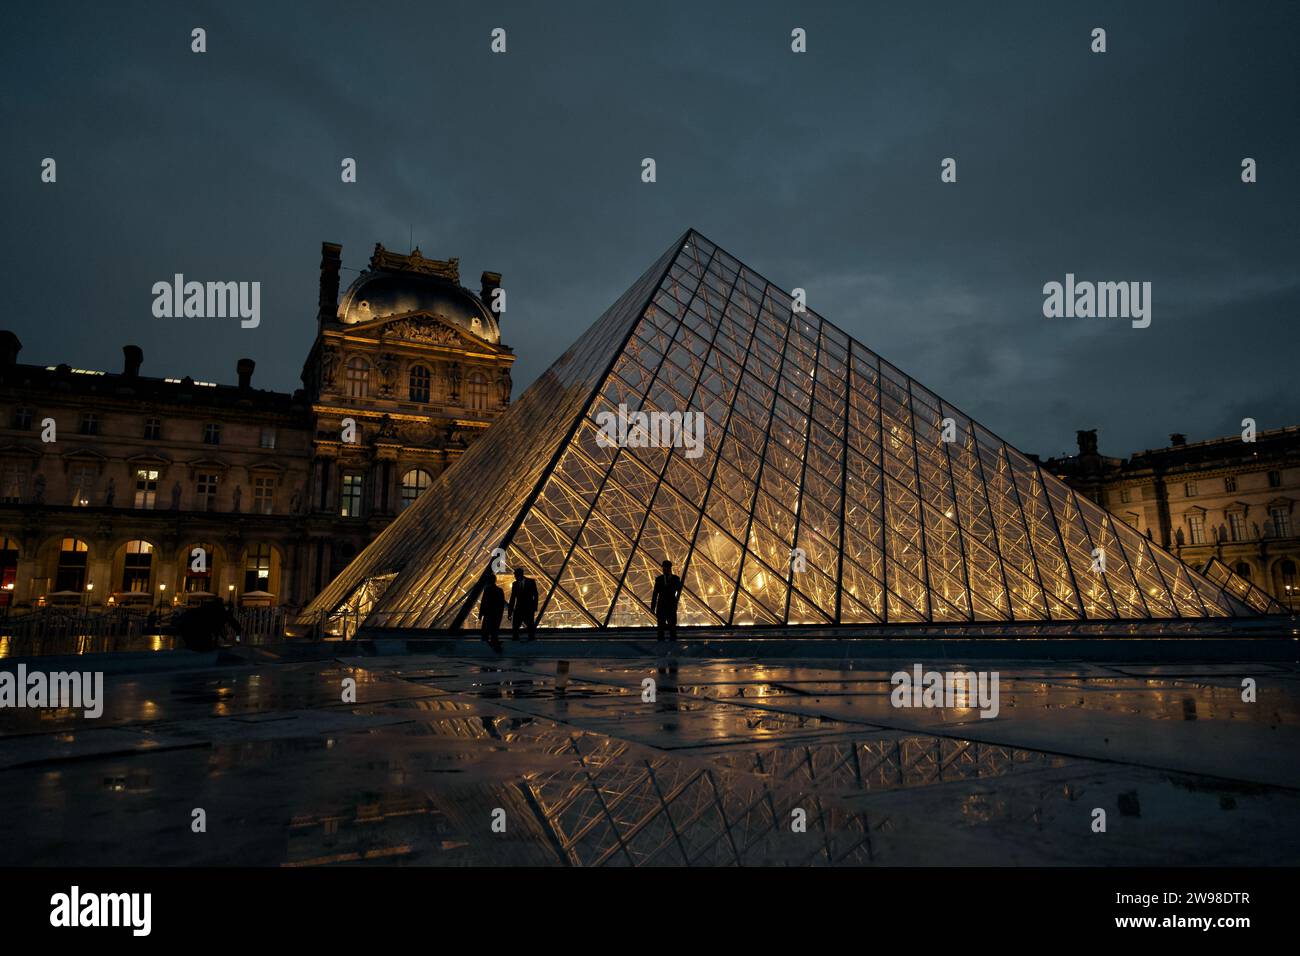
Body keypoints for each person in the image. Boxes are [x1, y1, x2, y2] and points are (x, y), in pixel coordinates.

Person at [650, 559, 682, 641]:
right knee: (660, 629)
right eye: (663, 568)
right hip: (661, 607)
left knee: (672, 629)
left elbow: (679, 591)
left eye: (665, 567)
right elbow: (655, 594)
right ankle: (661, 648)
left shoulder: (676, 579)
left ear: (669, 568)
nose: (664, 569)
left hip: (671, 607)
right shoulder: (659, 579)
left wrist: (675, 603)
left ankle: (673, 647)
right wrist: (652, 607)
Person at [507, 567, 539, 641]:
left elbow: (536, 595)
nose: (514, 577)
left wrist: (534, 607)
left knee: (529, 626)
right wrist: (510, 612)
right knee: (516, 626)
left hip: (528, 608)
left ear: (520, 575)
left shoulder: (531, 582)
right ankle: (517, 639)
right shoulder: (515, 584)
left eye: (515, 575)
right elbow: (512, 598)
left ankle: (530, 639)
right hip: (519, 608)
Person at [478, 571, 505, 653]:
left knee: (485, 633)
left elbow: (483, 602)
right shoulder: (499, 590)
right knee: (494, 632)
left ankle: (488, 649)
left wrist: (481, 614)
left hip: (488, 614)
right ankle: (496, 648)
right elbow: (501, 604)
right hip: (496, 614)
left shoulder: (487, 590)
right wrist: (500, 614)